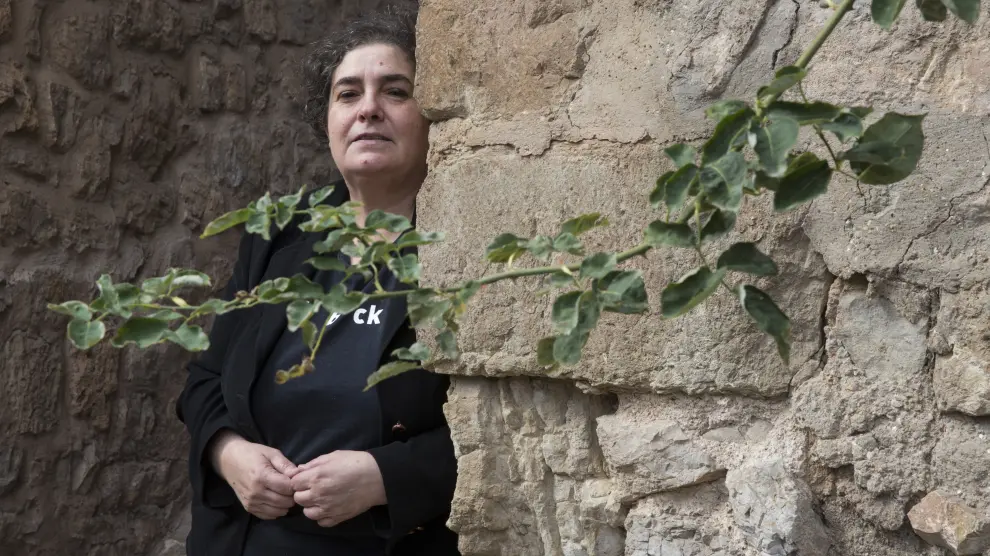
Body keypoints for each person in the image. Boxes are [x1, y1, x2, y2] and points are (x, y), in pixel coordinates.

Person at [175, 7, 460, 555]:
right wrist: (229, 453)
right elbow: (205, 381)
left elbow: (515, 429)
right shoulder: (280, 233)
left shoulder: (466, 247)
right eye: (348, 94)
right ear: (326, 119)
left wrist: (386, 476)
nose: (368, 109)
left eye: (395, 91)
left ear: (432, 115)